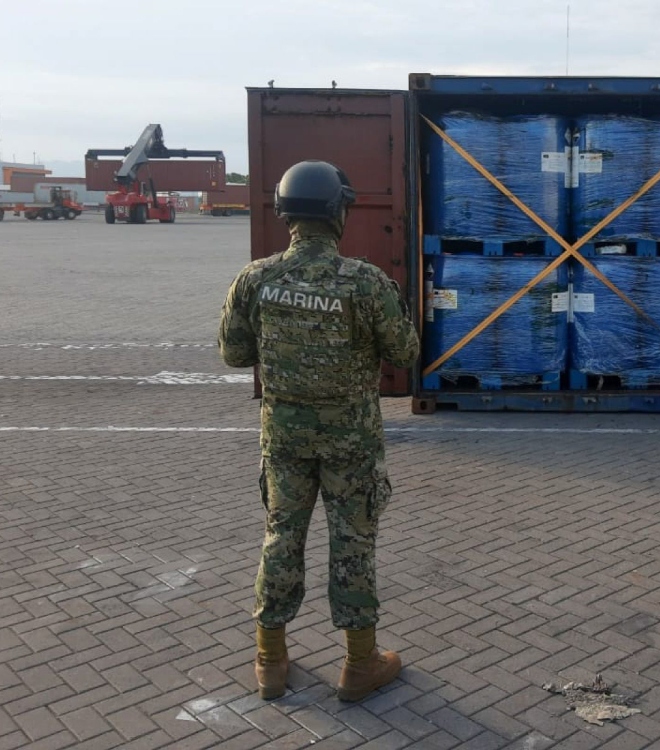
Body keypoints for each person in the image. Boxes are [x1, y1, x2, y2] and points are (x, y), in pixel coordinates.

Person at [218, 160, 419, 702]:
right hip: (350, 442)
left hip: (284, 438)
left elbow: (235, 353)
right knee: (353, 543)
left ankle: (270, 662)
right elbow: (405, 354)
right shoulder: (365, 281)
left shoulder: (255, 279)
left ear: (285, 213)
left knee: (282, 535)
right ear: (338, 212)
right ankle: (359, 665)